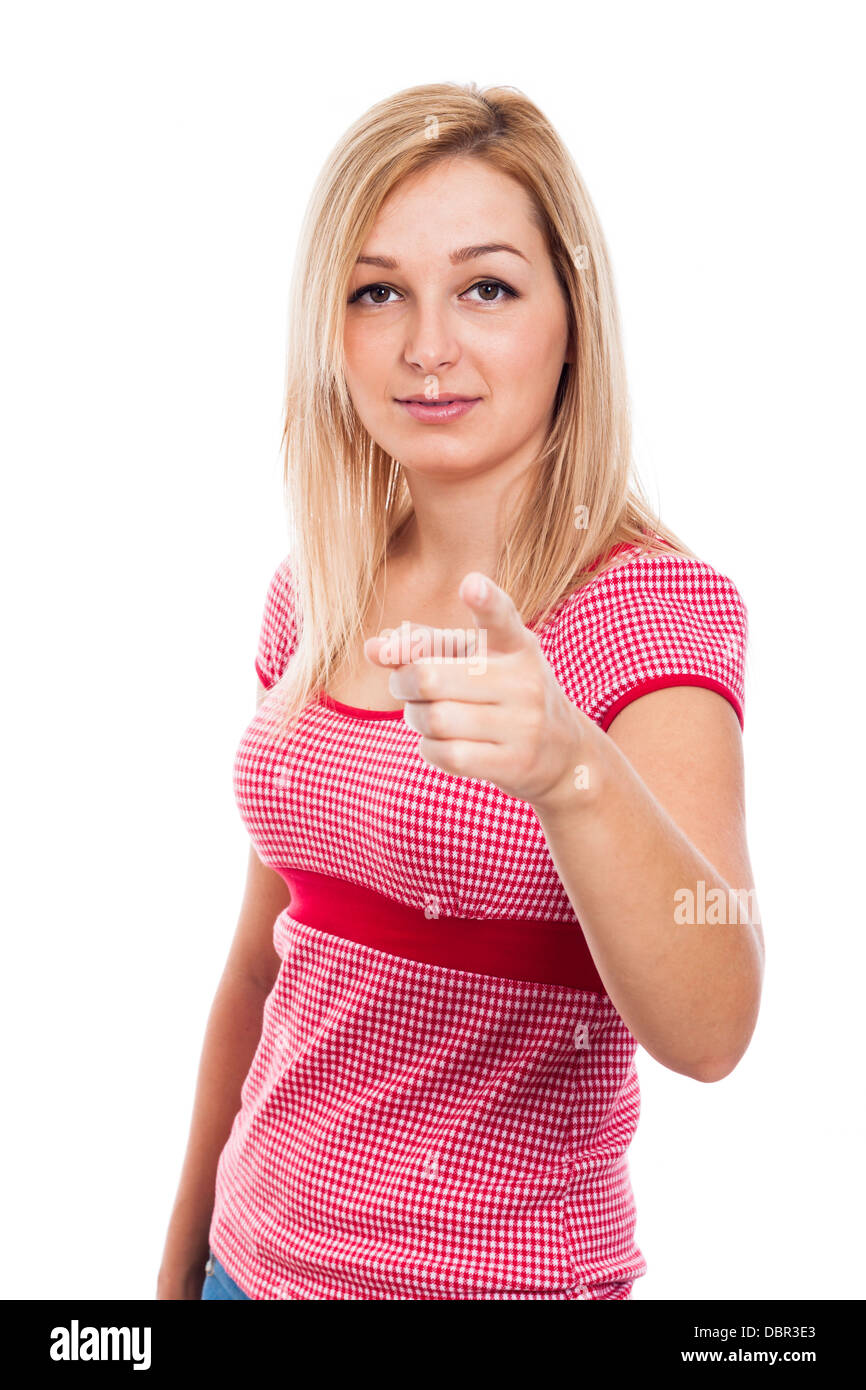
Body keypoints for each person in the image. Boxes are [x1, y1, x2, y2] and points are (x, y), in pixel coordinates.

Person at [157, 81, 763, 1302]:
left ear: (572, 319)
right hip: (246, 1268)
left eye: (485, 288)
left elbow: (713, 1027)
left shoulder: (648, 609)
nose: (427, 346)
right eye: (376, 292)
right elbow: (262, 969)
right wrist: (174, 1278)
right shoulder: (315, 591)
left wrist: (570, 769)